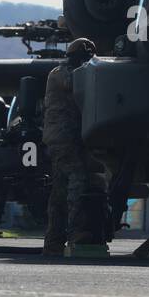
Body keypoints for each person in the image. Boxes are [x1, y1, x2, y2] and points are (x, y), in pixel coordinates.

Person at [42, 38, 101, 256]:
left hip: (63, 138)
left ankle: (53, 242)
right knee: (79, 180)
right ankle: (75, 233)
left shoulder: (64, 71)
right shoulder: (61, 73)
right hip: (63, 138)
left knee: (58, 192)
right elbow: (78, 83)